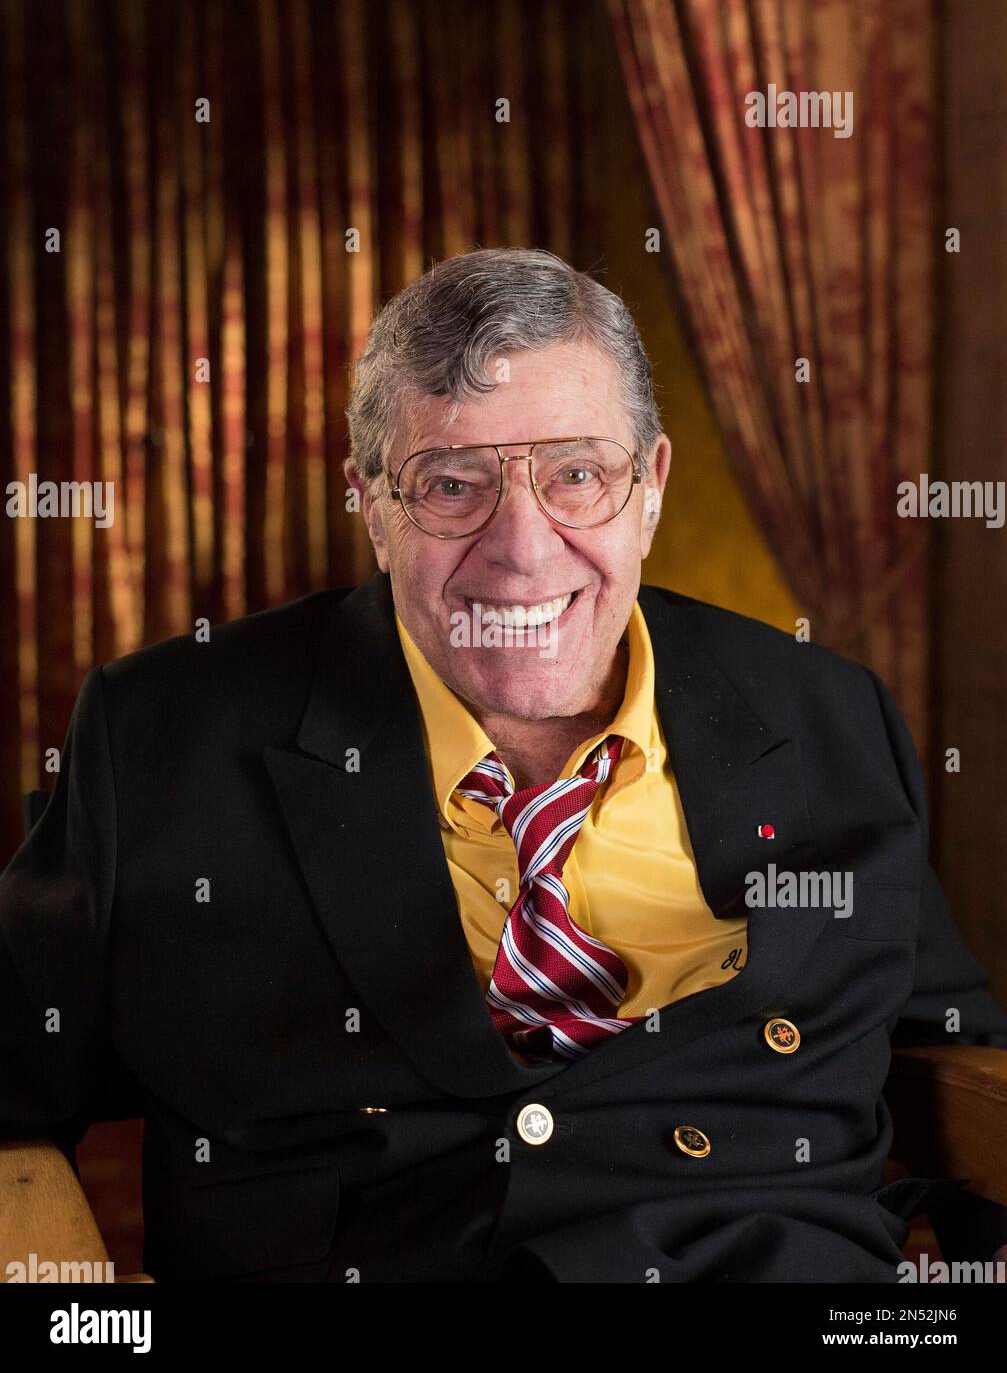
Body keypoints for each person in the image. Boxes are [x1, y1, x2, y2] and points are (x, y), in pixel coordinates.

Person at [2, 247, 1005, 1283]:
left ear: (649, 486)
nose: (523, 548)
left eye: (576, 473)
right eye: (451, 483)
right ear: (372, 507)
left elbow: (955, 1062)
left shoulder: (828, 714)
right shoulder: (164, 736)